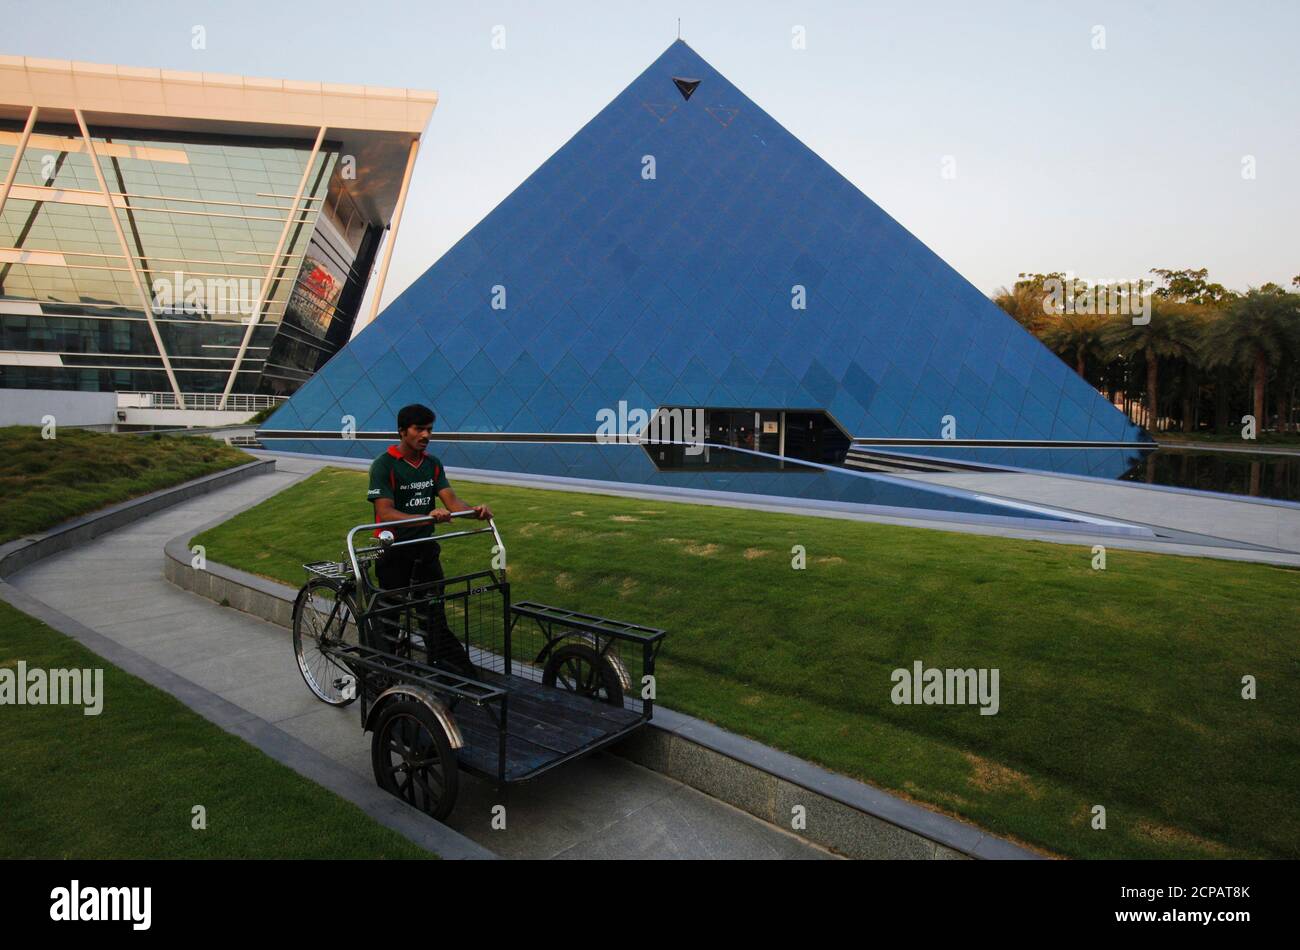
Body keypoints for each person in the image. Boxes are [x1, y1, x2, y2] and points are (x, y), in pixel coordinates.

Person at [367, 403, 493, 677]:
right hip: (394, 551)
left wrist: (476, 513)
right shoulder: (384, 465)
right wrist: (427, 517)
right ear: (402, 431)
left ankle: (454, 674)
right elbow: (384, 512)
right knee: (390, 619)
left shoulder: (432, 464)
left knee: (433, 617)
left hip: (424, 551)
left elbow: (452, 501)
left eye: (429, 430)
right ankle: (382, 677)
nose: (425, 435)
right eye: (419, 429)